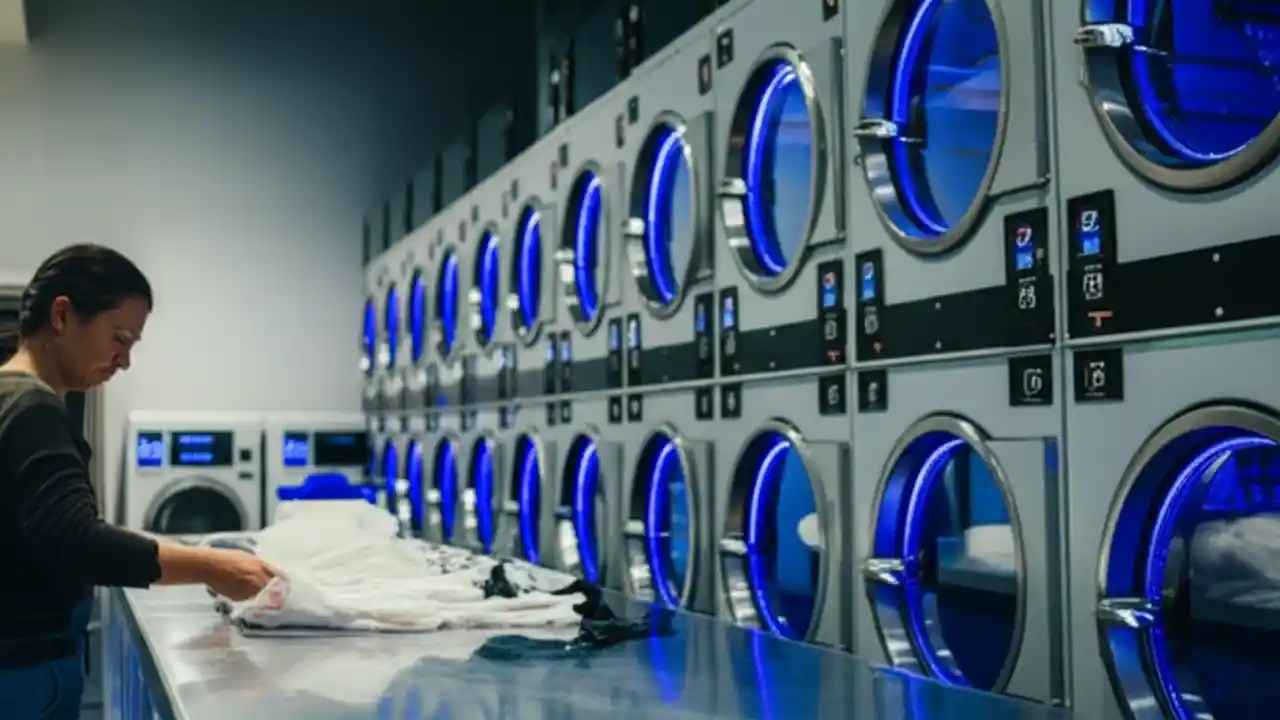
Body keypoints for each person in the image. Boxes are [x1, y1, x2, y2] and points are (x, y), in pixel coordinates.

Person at [0, 244, 277, 718]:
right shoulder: (33, 409)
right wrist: (212, 566)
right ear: (63, 315)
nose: (124, 361)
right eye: (120, 338)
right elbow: (77, 540)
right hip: (23, 675)